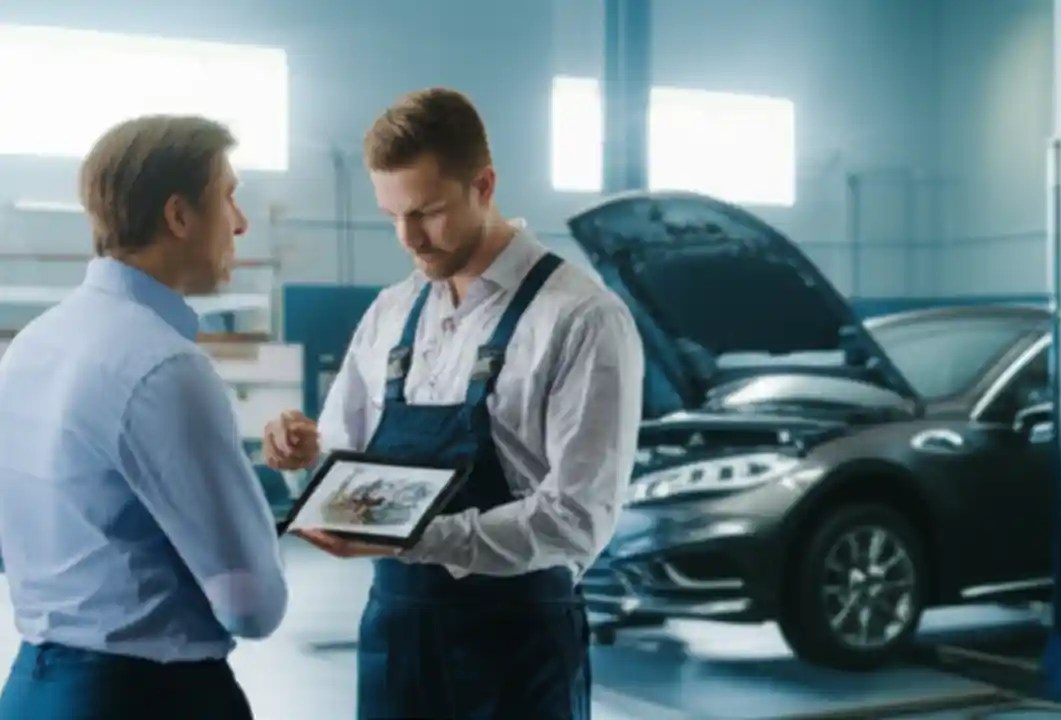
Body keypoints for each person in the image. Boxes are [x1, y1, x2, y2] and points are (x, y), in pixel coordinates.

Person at [264, 88, 644, 720]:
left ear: (484, 185)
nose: (409, 238)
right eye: (391, 216)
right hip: (395, 636)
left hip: (516, 650)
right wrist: (303, 453)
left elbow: (577, 518)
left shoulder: (581, 318)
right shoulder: (391, 311)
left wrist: (419, 539)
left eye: (428, 211)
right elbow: (339, 463)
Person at [0, 116, 288, 719]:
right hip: (149, 698)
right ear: (179, 216)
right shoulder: (165, 366)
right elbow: (252, 604)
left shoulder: (32, 344)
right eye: (229, 197)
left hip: (34, 688)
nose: (239, 223)